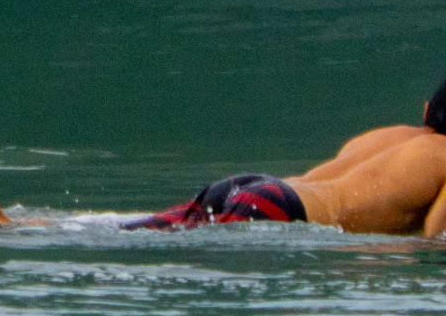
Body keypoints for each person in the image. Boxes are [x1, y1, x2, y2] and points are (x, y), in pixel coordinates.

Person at [126, 80, 446, 231]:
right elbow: (435, 235)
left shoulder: (386, 136)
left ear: (425, 111)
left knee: (136, 233)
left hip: (254, 186)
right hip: (281, 209)